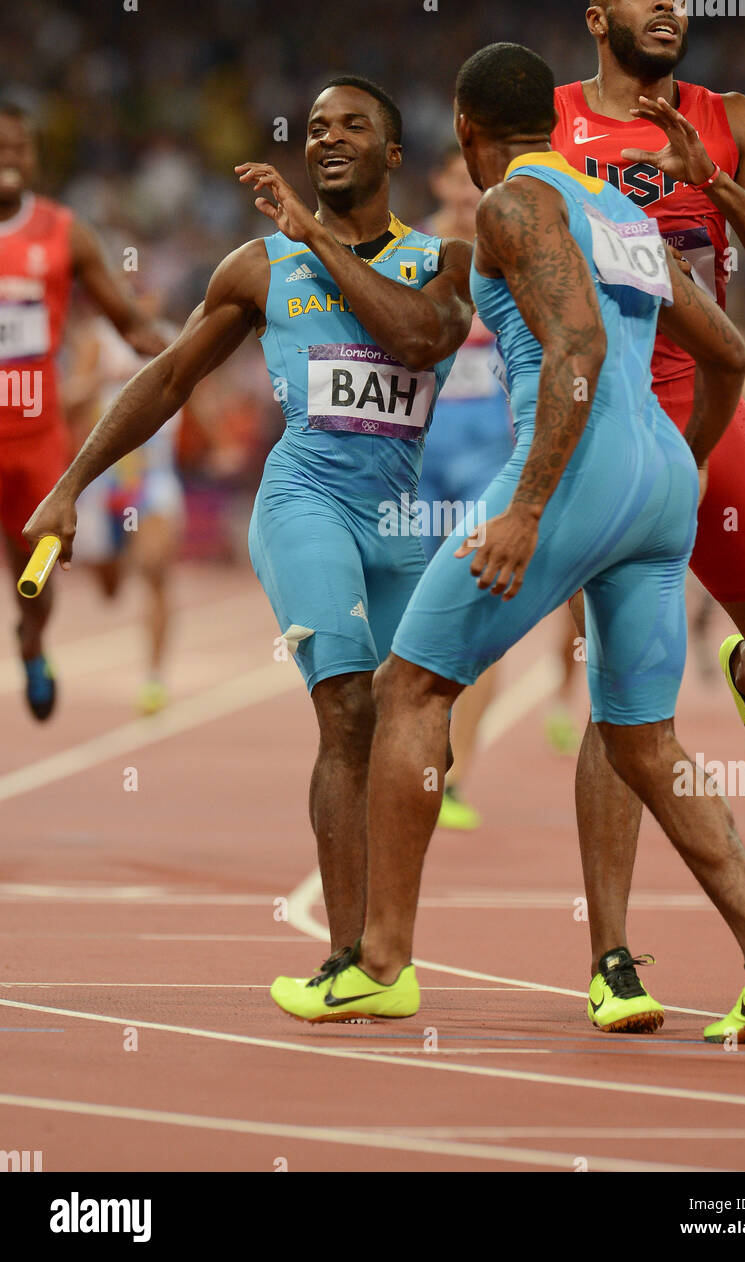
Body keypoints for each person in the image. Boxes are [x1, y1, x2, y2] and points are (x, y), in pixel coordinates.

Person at [270, 42, 745, 1046]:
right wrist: (683, 468)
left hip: (574, 475)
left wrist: (526, 509)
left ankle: (381, 963)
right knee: (643, 739)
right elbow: (729, 354)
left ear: (466, 128)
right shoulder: (623, 212)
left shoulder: (513, 206)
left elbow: (576, 349)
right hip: (655, 480)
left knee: (409, 687)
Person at [24, 77, 473, 961]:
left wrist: (316, 238)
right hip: (306, 501)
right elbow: (167, 378)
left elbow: (418, 339)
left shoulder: (446, 260)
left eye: (352, 126)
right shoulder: (260, 268)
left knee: (420, 741)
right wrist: (72, 484)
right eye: (314, 128)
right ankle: (353, 958)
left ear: (392, 153)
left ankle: (380, 930)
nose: (327, 138)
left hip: (403, 520)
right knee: (345, 709)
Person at [550, 0, 745, 1033]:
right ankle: (613, 958)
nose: (668, 6)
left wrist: (705, 181)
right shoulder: (555, 124)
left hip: (711, 412)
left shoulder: (726, 118)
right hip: (610, 424)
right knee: (625, 694)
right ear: (596, 17)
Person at [0, 100, 163, 720]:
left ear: (35, 156)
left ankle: (33, 640)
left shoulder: (64, 233)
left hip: (36, 442)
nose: (9, 160)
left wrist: (193, 348)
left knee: (34, 580)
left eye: (19, 148)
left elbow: (130, 323)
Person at [416, 147, 514, 829]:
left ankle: (455, 778)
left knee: (478, 615)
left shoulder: (509, 253)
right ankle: (414, 756)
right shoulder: (412, 250)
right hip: (420, 454)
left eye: (474, 185)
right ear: (438, 185)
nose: (464, 194)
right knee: (410, 614)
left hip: (487, 454)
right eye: (455, 183)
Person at [66, 312, 183, 714]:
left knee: (154, 568)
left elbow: (197, 394)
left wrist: (217, 438)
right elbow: (70, 403)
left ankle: (154, 678)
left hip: (153, 478)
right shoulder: (96, 339)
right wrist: (104, 377)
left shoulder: (176, 335)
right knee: (110, 586)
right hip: (106, 482)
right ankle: (117, 558)